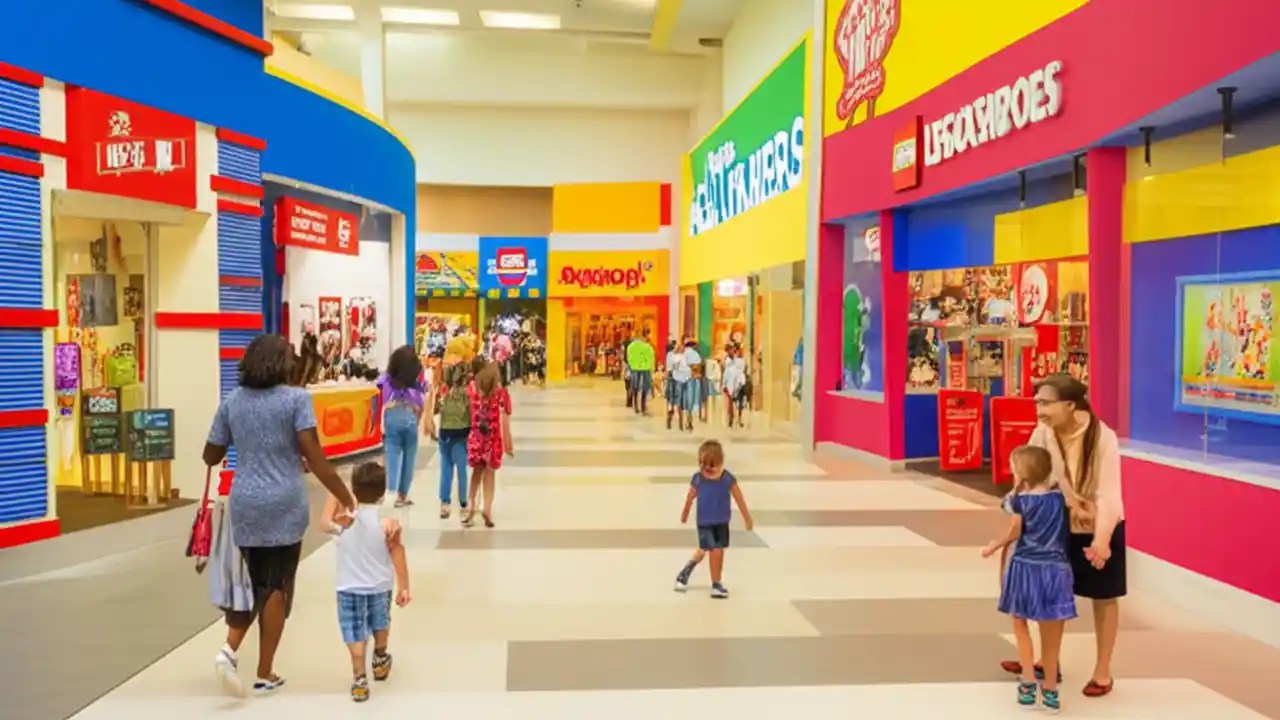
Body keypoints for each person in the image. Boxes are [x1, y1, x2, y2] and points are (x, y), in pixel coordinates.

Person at [204, 334, 357, 697]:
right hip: (285, 503)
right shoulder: (295, 399)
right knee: (277, 583)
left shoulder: (232, 402)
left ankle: (229, 651)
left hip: (245, 502)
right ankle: (263, 671)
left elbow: (211, 455)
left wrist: (246, 443)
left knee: (251, 580)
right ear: (281, 363)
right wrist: (344, 495)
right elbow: (314, 455)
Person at [1001, 374, 1126, 699]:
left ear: (1070, 405)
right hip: (1057, 526)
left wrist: (1101, 539)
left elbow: (1109, 494)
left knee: (1104, 595)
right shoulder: (1044, 433)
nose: (1038, 410)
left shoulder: (1102, 438)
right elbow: (1030, 474)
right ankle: (1047, 662)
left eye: (1045, 403)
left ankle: (1102, 671)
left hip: (1101, 523)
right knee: (1051, 596)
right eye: (1037, 403)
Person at [982, 445, 1089, 712]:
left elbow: (1015, 531)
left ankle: (1028, 683)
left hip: (1025, 568)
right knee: (1052, 635)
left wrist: (994, 545)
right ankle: (1051, 691)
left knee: (1020, 625)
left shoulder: (1018, 501)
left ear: (1022, 474)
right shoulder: (1060, 498)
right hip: (1056, 571)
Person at [325, 462, 411, 702]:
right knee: (380, 621)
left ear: (354, 490)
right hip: (379, 585)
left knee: (354, 632)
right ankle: (381, 658)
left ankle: (359, 678)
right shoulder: (387, 525)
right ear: (383, 495)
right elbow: (398, 553)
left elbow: (324, 522)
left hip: (348, 586)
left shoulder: (344, 521)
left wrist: (337, 490)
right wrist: (404, 586)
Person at [674, 440, 753, 598]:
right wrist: (685, 511)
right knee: (703, 551)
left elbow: (739, 498)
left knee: (718, 552)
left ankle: (716, 583)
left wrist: (747, 517)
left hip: (722, 521)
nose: (708, 469)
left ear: (721, 462)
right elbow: (690, 496)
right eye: (703, 465)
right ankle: (684, 573)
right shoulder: (698, 479)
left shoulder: (727, 479)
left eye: (712, 465)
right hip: (705, 522)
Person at [377, 345, 429, 508]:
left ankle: (390, 491)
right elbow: (422, 401)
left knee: (392, 455)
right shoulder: (415, 384)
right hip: (410, 416)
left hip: (392, 415)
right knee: (409, 457)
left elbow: (378, 389)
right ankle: (403, 494)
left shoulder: (387, 380)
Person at [465, 359, 512, 528]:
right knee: (490, 475)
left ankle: (471, 506)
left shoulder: (472, 390)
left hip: (477, 437)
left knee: (476, 474)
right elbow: (505, 417)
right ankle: (488, 509)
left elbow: (468, 413)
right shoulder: (501, 393)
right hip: (493, 439)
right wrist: (509, 443)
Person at [435, 352, 472, 522]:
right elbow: (472, 411)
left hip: (444, 432)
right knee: (462, 470)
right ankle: (464, 504)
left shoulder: (443, 390)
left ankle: (445, 502)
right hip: (461, 433)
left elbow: (435, 406)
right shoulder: (466, 391)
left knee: (446, 468)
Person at [625, 330, 655, 415]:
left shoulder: (631, 346)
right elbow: (651, 358)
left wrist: (631, 367)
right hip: (645, 369)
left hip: (634, 369)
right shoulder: (648, 347)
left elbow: (628, 358)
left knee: (634, 387)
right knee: (645, 388)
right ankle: (643, 406)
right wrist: (650, 368)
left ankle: (636, 406)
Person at [665, 340, 691, 431]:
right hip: (674, 381)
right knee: (673, 402)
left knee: (680, 403)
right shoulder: (672, 356)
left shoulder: (683, 357)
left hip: (681, 380)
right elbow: (671, 369)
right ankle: (670, 420)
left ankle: (680, 423)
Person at [721, 344, 748, 427]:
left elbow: (743, 371)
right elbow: (725, 372)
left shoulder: (740, 361)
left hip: (739, 383)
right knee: (730, 401)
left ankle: (737, 418)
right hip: (730, 383)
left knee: (739, 401)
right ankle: (731, 418)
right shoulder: (727, 361)